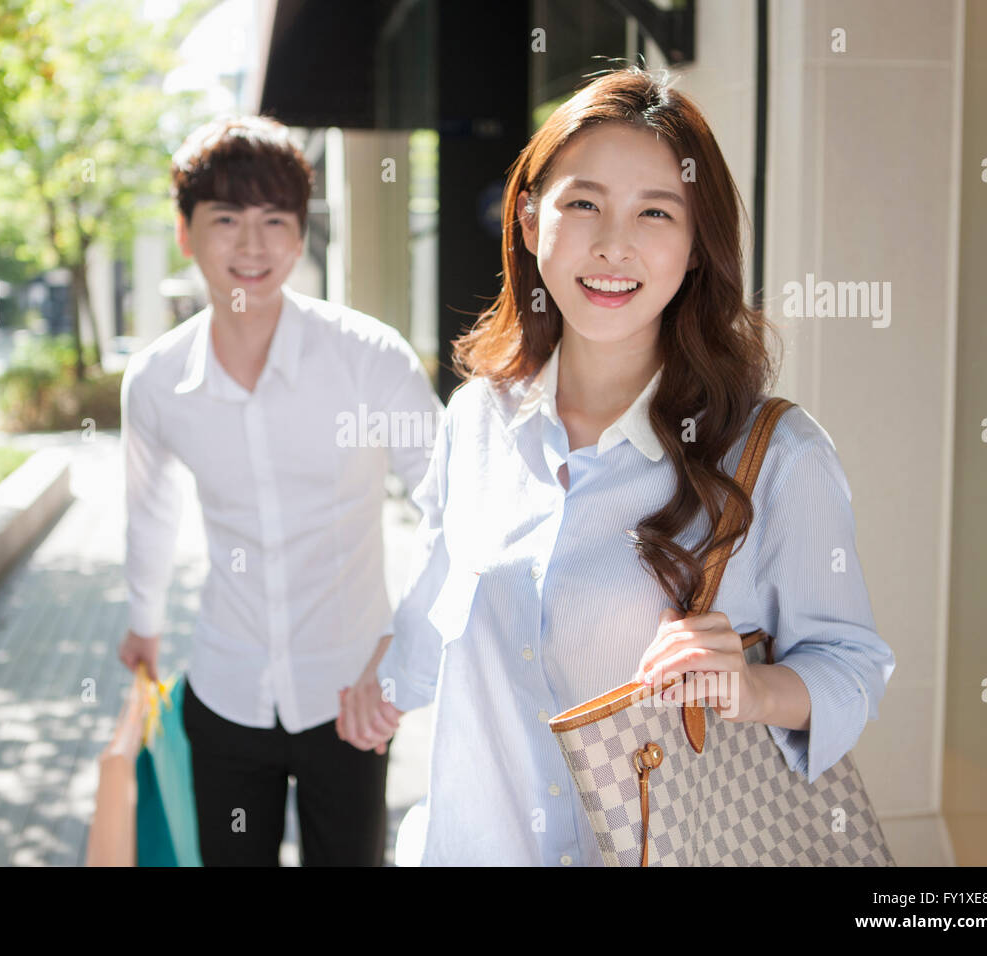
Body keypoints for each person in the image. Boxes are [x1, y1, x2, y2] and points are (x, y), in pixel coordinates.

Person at [337, 66, 896, 866]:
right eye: (584, 202)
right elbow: (443, 590)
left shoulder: (777, 457)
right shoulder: (478, 421)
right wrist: (381, 691)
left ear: (699, 245)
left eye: (656, 213)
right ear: (529, 219)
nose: (613, 245)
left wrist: (748, 687)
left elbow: (854, 666)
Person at [119, 115, 442, 866]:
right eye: (226, 219)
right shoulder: (160, 380)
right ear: (185, 232)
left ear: (301, 236)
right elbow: (149, 507)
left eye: (274, 220)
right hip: (225, 689)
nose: (252, 245)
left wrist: (402, 650)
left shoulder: (370, 361)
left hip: (352, 694)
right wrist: (142, 622)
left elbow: (451, 508)